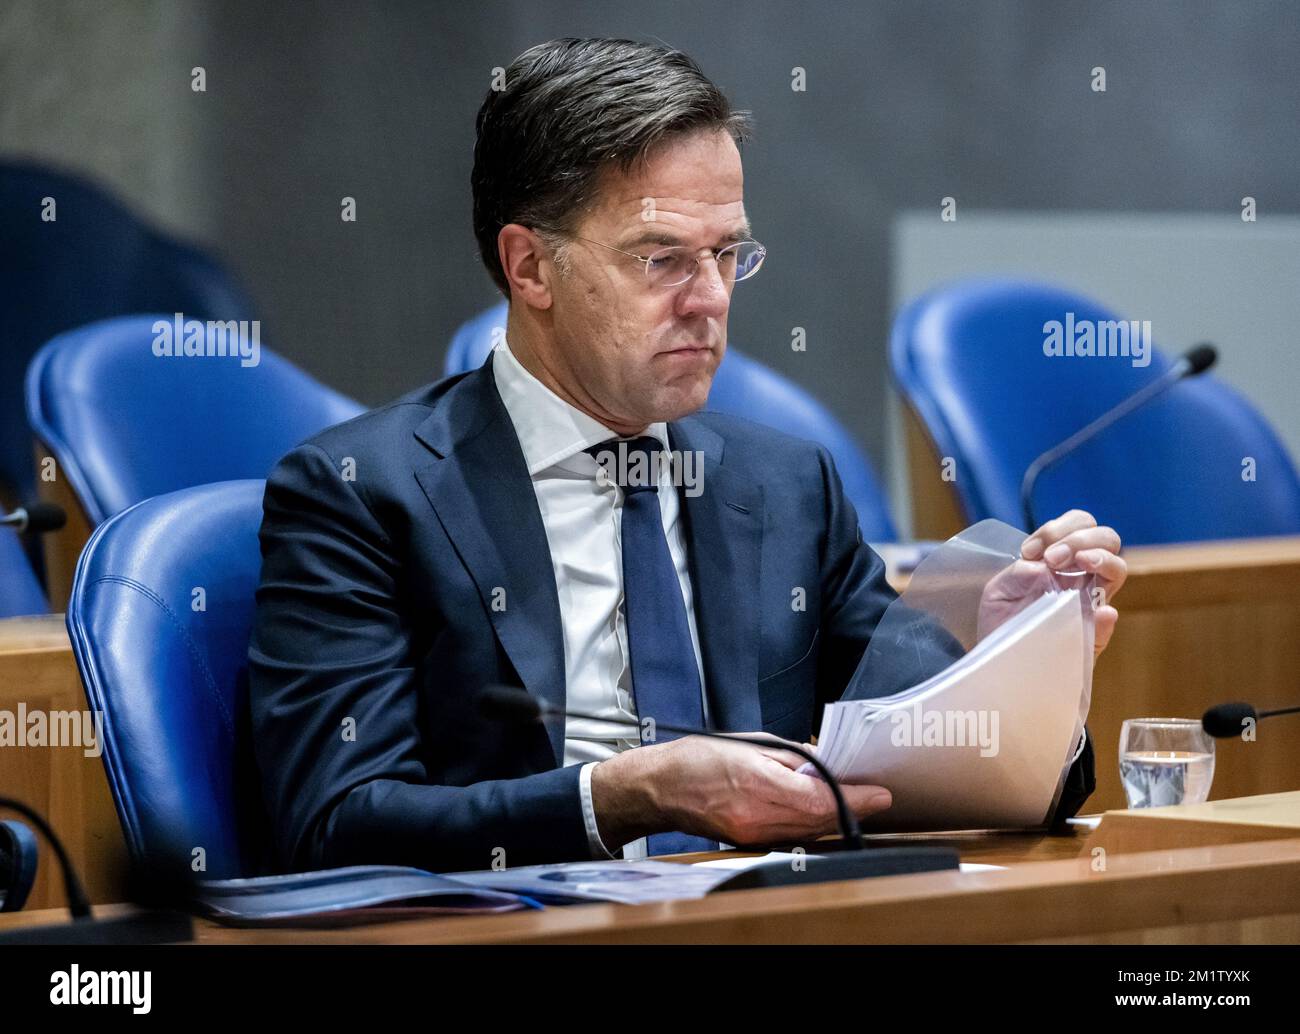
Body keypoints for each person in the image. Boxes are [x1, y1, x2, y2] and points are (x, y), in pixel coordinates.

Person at [248, 37, 1126, 872]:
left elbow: (936, 774)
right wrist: (628, 795)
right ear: (530, 269)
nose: (709, 300)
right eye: (661, 258)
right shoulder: (364, 494)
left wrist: (1011, 666)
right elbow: (334, 823)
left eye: (728, 254)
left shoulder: (785, 486)